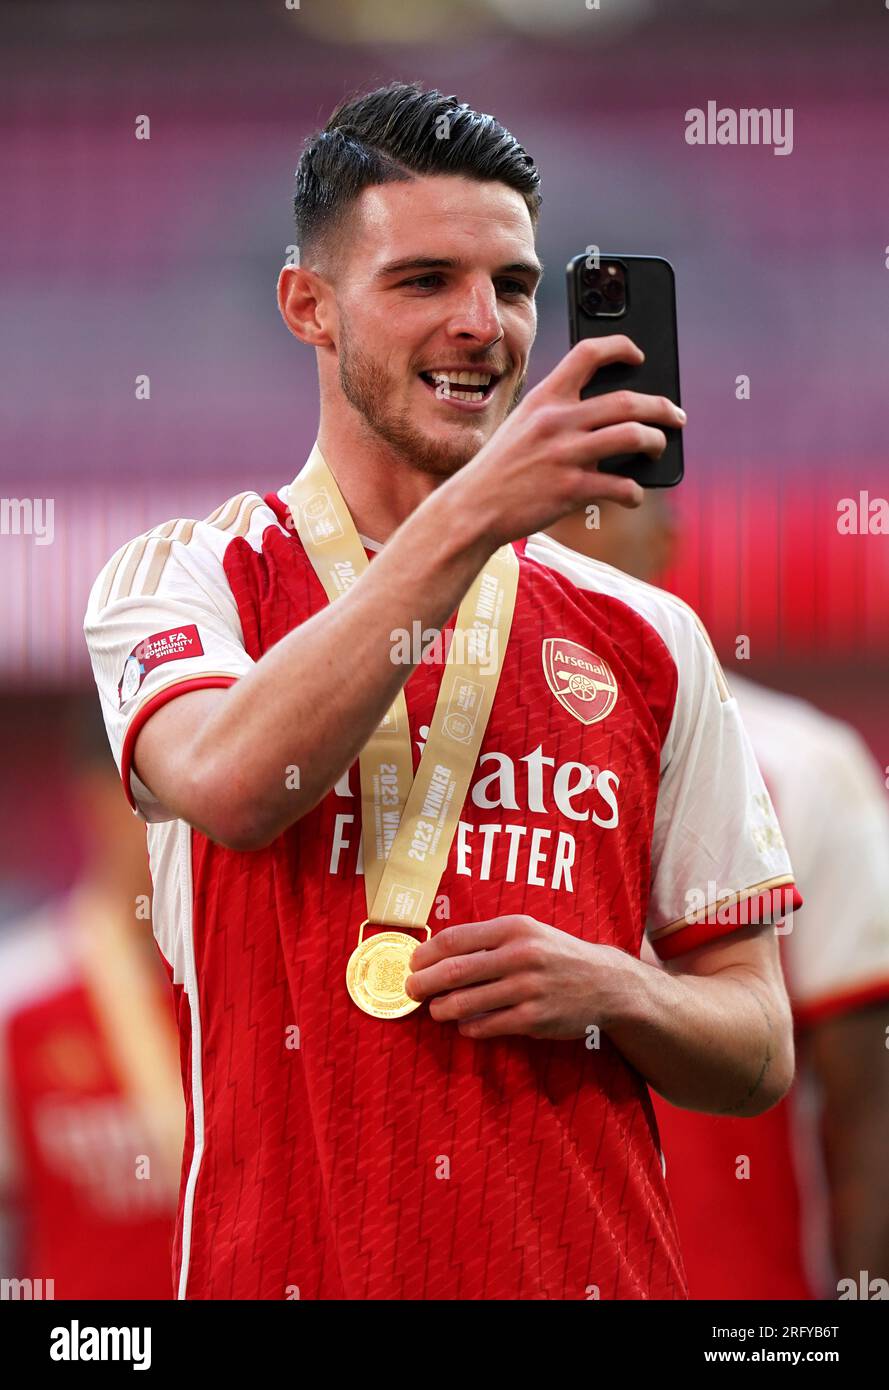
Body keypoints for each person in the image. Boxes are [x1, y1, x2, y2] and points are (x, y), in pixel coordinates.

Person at [84, 82, 800, 1301]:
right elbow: (235, 784)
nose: (485, 325)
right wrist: (475, 513)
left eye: (512, 287)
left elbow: (758, 1048)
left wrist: (616, 987)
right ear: (307, 305)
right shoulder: (184, 580)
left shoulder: (648, 634)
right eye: (423, 282)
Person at [547, 494, 889, 1298]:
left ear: (663, 537)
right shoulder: (437, 758)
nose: (560, 538)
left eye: (590, 505)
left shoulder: (802, 764)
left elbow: (867, 1096)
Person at [0, 700, 182, 1299]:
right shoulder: (18, 996)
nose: (184, 817)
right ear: (94, 796)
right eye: (160, 789)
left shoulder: (255, 989)